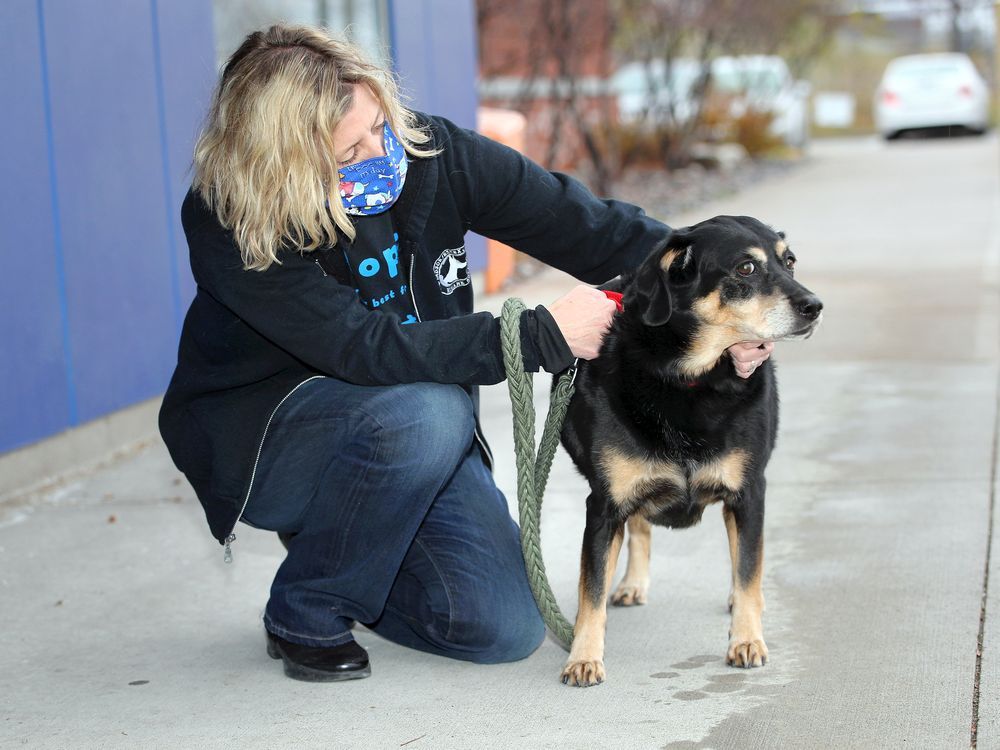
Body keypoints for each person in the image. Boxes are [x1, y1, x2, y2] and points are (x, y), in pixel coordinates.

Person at [158, 23, 773, 683]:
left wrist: (722, 295)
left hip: (405, 440)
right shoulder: (232, 217)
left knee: (499, 626)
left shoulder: (429, 153)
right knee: (427, 412)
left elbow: (585, 226)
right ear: (286, 167)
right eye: (349, 154)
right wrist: (542, 334)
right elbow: (361, 347)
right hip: (273, 442)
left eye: (378, 126)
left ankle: (355, 536)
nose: (379, 151)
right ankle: (309, 603)